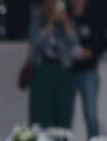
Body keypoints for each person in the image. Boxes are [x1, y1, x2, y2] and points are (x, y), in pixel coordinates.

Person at [29, 0, 79, 129]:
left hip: (63, 69)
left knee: (62, 112)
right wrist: (50, 22)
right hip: (42, 69)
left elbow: (75, 47)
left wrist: (66, 22)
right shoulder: (39, 18)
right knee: (41, 111)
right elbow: (34, 42)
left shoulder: (69, 20)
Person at [70, 0, 104, 136]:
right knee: (66, 113)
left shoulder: (93, 17)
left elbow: (102, 42)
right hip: (68, 72)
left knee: (91, 113)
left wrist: (90, 52)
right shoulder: (66, 17)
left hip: (89, 71)